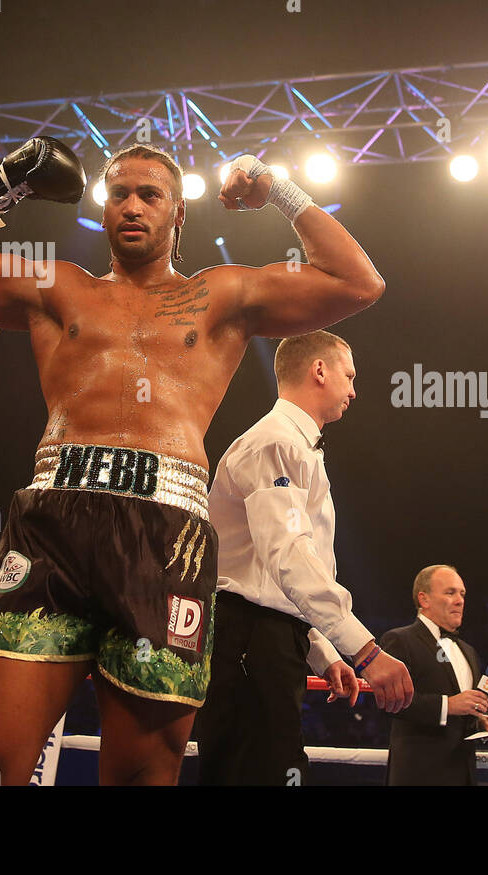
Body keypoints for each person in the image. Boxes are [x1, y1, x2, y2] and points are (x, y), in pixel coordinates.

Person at [0, 137, 385, 786]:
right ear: (103, 211)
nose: (132, 205)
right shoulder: (60, 287)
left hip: (167, 537)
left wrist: (277, 188)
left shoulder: (220, 296)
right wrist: (4, 186)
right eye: (119, 194)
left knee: (142, 776)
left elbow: (358, 281)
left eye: (150, 194)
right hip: (53, 522)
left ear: (176, 213)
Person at [196, 330, 413, 786]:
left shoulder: (294, 445)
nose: (354, 389)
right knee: (258, 773)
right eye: (349, 375)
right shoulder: (276, 442)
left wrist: (323, 652)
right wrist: (366, 651)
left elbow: (274, 574)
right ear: (319, 370)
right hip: (250, 637)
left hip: (266, 637)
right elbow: (288, 558)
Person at [382, 565, 488, 785]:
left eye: (462, 594)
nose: (460, 600)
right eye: (450, 593)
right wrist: (447, 705)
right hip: (418, 774)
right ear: (424, 600)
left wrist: (482, 723)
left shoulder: (468, 651)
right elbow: (390, 703)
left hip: (463, 774)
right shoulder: (399, 640)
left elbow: (462, 714)